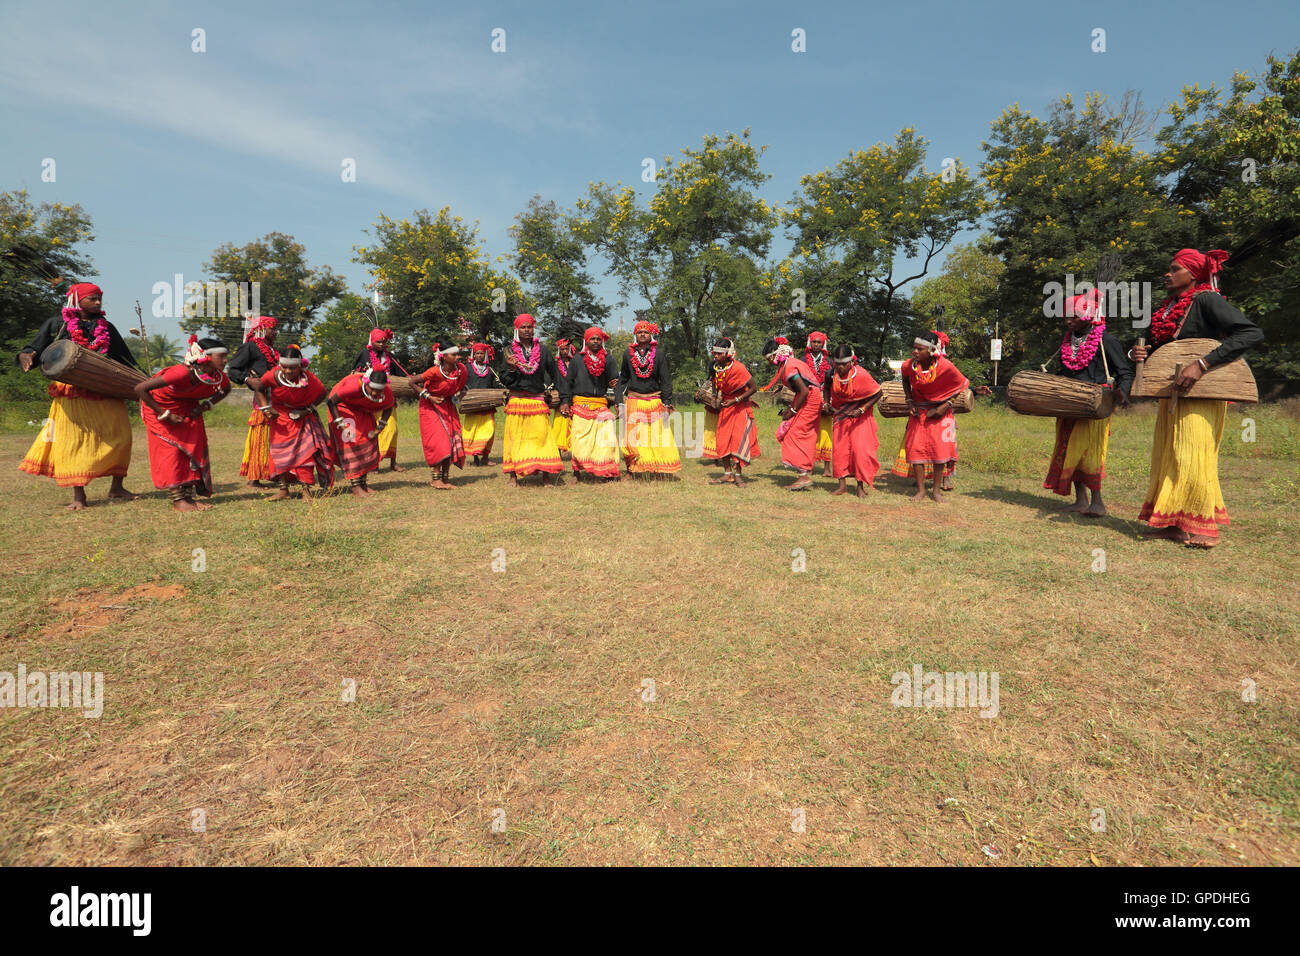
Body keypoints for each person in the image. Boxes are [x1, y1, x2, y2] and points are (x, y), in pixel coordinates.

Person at [1132, 249, 1263, 548]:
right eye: (1168, 269)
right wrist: (1139, 353)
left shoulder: (1206, 300)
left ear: (1192, 274)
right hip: (1173, 393)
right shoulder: (1167, 307)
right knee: (1170, 455)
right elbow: (1161, 349)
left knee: (1193, 455)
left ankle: (1204, 528)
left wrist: (1202, 364)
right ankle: (1173, 525)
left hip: (1203, 393)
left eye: (1174, 269)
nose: (1167, 273)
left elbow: (1251, 333)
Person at [17, 282, 140, 510]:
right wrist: (28, 355)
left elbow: (124, 358)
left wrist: (142, 380)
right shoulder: (57, 324)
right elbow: (33, 347)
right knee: (75, 440)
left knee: (120, 436)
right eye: (92, 298)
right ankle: (79, 496)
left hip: (106, 389)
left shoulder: (107, 326)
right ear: (76, 300)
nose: (98, 302)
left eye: (99, 298)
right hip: (72, 392)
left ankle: (117, 487)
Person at [1043, 291, 1133, 517]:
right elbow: (1066, 370)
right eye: (1065, 316)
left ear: (1089, 314)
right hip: (1068, 406)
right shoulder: (1066, 340)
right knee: (1068, 450)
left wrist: (1123, 392)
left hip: (1096, 407)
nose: (1067, 320)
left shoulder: (1106, 341)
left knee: (1090, 452)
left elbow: (1124, 372)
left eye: (1073, 315)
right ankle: (1080, 500)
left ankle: (1098, 503)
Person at [135, 336, 231, 511]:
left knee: (192, 450)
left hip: (188, 410)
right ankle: (178, 500)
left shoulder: (217, 376)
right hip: (158, 410)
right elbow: (140, 389)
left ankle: (187, 498)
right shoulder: (181, 372)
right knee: (171, 453)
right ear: (206, 357)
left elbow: (226, 389)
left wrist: (205, 406)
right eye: (221, 356)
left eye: (226, 357)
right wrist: (164, 413)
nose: (225, 360)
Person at [248, 345, 334, 500]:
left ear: (300, 366)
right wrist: (266, 408)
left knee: (305, 455)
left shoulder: (309, 379)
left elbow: (323, 393)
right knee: (279, 454)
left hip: (303, 418)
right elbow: (259, 388)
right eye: (284, 367)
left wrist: (307, 410)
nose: (288, 371)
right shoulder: (273, 375)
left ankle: (306, 491)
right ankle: (283, 491)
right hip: (280, 419)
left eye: (292, 368)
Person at [901, 330, 969, 502]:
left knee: (940, 452)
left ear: (931, 351)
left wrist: (944, 407)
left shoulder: (945, 366)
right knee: (916, 451)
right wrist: (909, 401)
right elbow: (905, 378)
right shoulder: (910, 365)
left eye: (919, 349)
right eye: (914, 348)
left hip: (941, 413)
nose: (914, 352)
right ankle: (921, 491)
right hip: (919, 413)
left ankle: (936, 492)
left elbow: (961, 386)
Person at [499, 314, 563, 486]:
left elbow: (555, 373)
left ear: (533, 329)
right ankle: (513, 476)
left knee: (541, 437)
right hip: (517, 401)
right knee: (516, 438)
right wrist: (512, 368)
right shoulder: (509, 351)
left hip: (537, 400)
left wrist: (563, 397)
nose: (527, 330)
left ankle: (546, 476)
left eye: (529, 327)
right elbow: (505, 379)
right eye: (523, 327)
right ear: (517, 330)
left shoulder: (543, 351)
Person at [617, 320, 681, 476]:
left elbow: (665, 380)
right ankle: (630, 470)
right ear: (635, 335)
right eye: (639, 332)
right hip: (634, 401)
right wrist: (619, 401)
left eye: (645, 332)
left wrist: (666, 403)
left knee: (656, 437)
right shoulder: (627, 354)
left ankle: (658, 469)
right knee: (632, 438)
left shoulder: (658, 354)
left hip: (654, 402)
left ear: (650, 334)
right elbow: (623, 379)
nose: (643, 334)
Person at [560, 327, 622, 481]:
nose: (595, 341)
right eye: (592, 339)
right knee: (581, 439)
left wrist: (619, 403)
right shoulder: (577, 360)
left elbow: (615, 382)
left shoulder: (608, 359)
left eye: (598, 339)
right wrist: (565, 402)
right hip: (581, 403)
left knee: (607, 438)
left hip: (601, 403)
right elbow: (568, 382)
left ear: (602, 341)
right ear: (586, 341)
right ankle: (577, 472)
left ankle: (606, 471)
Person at [762, 337, 821, 491]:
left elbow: (803, 390)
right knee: (798, 432)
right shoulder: (788, 365)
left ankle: (804, 475)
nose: (768, 362)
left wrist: (792, 410)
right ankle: (804, 472)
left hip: (810, 398)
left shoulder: (789, 367)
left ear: (775, 355)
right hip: (808, 397)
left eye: (768, 359)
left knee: (796, 433)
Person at [227, 315, 280, 487]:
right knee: (260, 436)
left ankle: (273, 472)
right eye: (272, 329)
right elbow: (233, 370)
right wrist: (247, 380)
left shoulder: (273, 350)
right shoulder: (249, 347)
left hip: (276, 397)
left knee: (275, 437)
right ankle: (254, 477)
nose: (275, 332)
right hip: (261, 398)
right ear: (262, 329)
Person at [326, 365, 395, 497]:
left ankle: (363, 483)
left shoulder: (386, 391)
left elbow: (388, 406)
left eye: (379, 391)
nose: (375, 394)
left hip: (363, 411)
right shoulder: (353, 387)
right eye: (373, 390)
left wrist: (380, 427)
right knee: (351, 442)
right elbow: (331, 402)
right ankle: (355, 486)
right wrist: (339, 422)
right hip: (342, 409)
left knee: (368, 442)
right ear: (366, 383)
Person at [703, 338, 761, 486]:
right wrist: (715, 397)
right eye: (714, 353)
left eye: (719, 353)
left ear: (728, 353)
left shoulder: (738, 368)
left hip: (739, 408)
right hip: (725, 407)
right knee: (723, 440)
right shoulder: (715, 367)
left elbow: (753, 388)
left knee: (738, 441)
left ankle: (739, 475)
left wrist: (735, 400)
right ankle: (728, 474)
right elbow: (715, 383)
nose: (715, 356)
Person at [826, 345, 882, 498]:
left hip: (861, 418)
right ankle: (842, 486)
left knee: (860, 452)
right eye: (837, 364)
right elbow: (826, 387)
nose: (841, 367)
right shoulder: (831, 374)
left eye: (844, 364)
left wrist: (862, 409)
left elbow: (878, 393)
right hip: (840, 416)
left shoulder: (862, 375)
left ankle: (860, 487)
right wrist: (826, 403)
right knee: (840, 451)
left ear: (851, 362)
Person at [417, 343, 468, 489]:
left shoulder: (461, 370)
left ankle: (445, 478)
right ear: (444, 357)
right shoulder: (434, 372)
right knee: (440, 442)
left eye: (458, 354)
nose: (458, 357)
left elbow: (462, 386)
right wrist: (429, 397)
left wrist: (458, 395)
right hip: (430, 407)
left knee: (452, 440)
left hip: (448, 407)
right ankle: (435, 479)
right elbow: (412, 382)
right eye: (454, 355)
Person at [354, 328, 404, 472]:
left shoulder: (390, 356)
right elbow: (355, 373)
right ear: (371, 342)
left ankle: (393, 463)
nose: (382, 344)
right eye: (379, 342)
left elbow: (399, 374)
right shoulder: (363, 354)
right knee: (372, 430)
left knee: (392, 429)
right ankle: (373, 462)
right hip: (370, 398)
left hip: (388, 397)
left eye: (384, 342)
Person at [804, 331, 835, 475]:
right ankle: (808, 465)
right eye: (814, 342)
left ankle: (827, 468)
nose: (816, 345)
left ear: (823, 344)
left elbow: (832, 382)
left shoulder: (829, 362)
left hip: (825, 399)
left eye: (819, 342)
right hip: (808, 400)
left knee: (826, 432)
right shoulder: (802, 360)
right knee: (810, 432)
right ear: (810, 343)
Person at [463, 342, 498, 465]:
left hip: (487, 406)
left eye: (482, 353)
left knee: (489, 430)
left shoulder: (491, 370)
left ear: (485, 355)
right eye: (477, 353)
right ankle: (475, 458)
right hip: (473, 406)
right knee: (474, 431)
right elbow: (462, 383)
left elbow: (495, 386)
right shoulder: (467, 368)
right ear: (473, 354)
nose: (479, 356)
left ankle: (485, 458)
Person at [550, 337, 575, 458]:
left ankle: (575, 452)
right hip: (560, 397)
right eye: (562, 349)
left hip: (574, 397)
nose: (564, 351)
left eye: (566, 349)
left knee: (574, 426)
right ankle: (557, 454)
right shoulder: (555, 365)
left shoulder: (575, 363)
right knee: (559, 426)